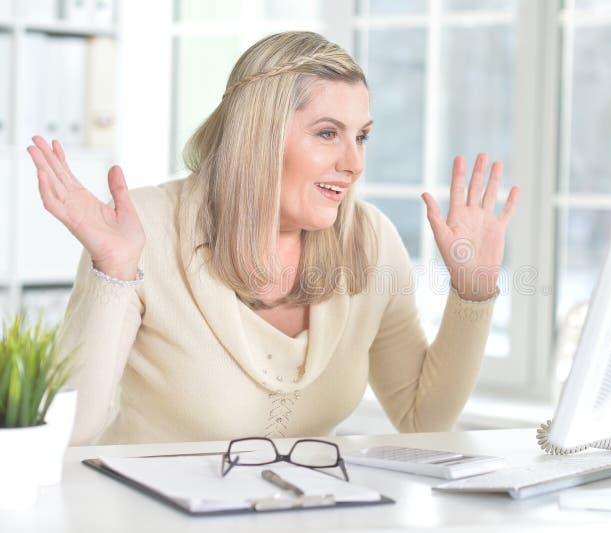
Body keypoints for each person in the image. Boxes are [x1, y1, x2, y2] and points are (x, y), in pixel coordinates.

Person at [26, 31, 520, 445]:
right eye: (328, 133)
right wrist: (113, 271)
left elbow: (422, 419)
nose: (354, 163)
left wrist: (473, 291)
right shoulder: (145, 228)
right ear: (258, 135)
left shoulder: (371, 241)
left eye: (361, 136)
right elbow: (70, 431)